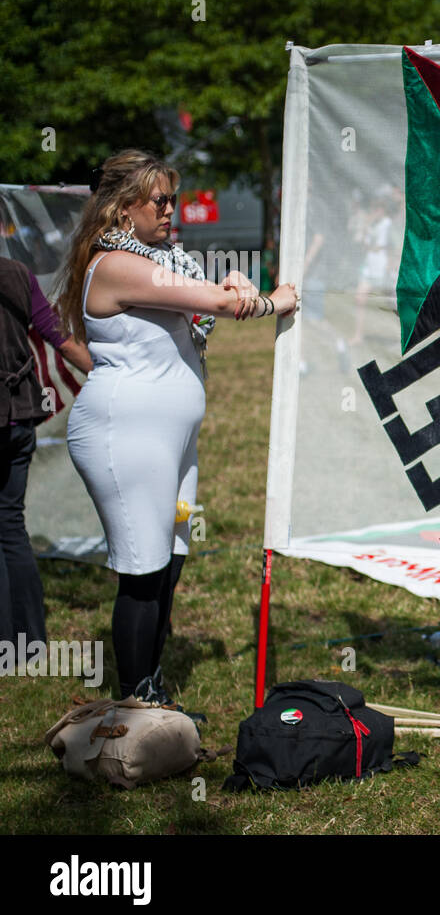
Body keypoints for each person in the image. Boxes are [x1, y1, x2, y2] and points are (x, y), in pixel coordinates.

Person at [56, 149, 297, 704]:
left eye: (173, 197)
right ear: (122, 210)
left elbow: (207, 296)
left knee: (170, 562)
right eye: (159, 199)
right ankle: (135, 707)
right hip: (127, 435)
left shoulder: (161, 258)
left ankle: (153, 690)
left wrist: (235, 285)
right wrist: (271, 299)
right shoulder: (116, 264)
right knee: (142, 571)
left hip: (170, 440)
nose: (171, 209)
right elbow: (215, 300)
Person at [1, 256, 92, 648]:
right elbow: (63, 340)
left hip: (13, 415)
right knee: (10, 526)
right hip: (18, 417)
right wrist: (113, 373)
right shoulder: (17, 273)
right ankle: (28, 639)